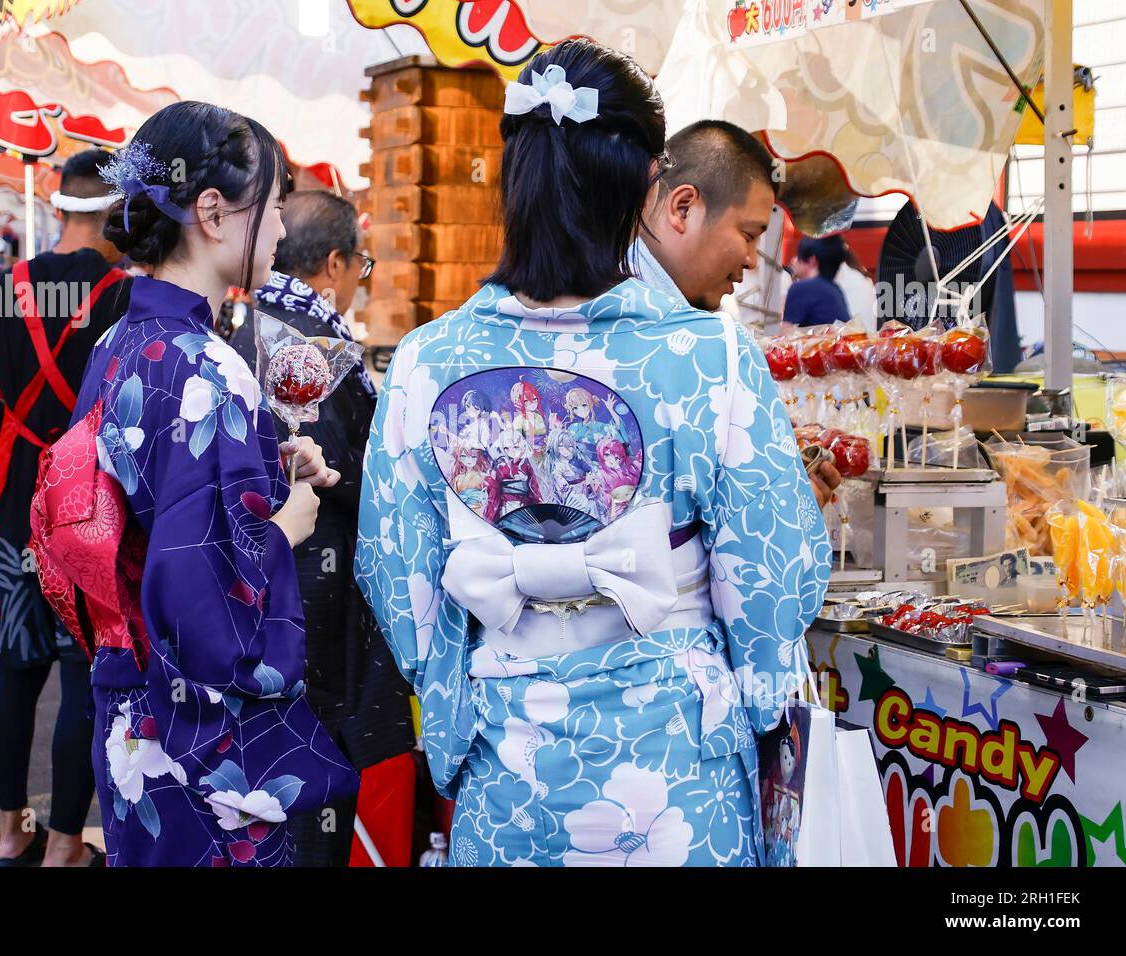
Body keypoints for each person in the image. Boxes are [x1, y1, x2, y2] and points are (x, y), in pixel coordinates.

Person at [356, 39, 830, 867]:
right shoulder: (709, 358)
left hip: (509, 773)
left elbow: (399, 581)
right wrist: (755, 708)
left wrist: (457, 705)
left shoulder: (425, 364)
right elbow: (773, 581)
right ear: (647, 184)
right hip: (678, 772)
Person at [62, 101, 358, 866]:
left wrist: (264, 469)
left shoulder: (123, 338)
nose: (285, 229)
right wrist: (283, 525)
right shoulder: (207, 363)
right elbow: (202, 582)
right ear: (213, 212)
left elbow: (144, 507)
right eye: (276, 205)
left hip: (133, 710)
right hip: (194, 731)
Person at [0, 149, 134, 867]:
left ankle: (10, 829)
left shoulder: (2, 287)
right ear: (117, 212)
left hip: (20, 514)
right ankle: (63, 845)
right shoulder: (123, 295)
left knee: (16, 674)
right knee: (83, 678)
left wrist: (6, 421)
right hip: (91, 521)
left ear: (57, 207)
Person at [228, 190, 413, 866]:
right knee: (316, 755)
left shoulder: (238, 323)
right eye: (360, 267)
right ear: (335, 262)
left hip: (249, 570)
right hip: (313, 582)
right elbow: (344, 473)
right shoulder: (311, 343)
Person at [631, 119, 842, 510]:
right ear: (684, 207)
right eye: (748, 235)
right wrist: (791, 511)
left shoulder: (697, 323)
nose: (750, 259)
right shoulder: (713, 347)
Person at [783, 235, 851, 328]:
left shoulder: (801, 288)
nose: (793, 260)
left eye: (798, 256)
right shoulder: (836, 289)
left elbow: (785, 335)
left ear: (812, 260)